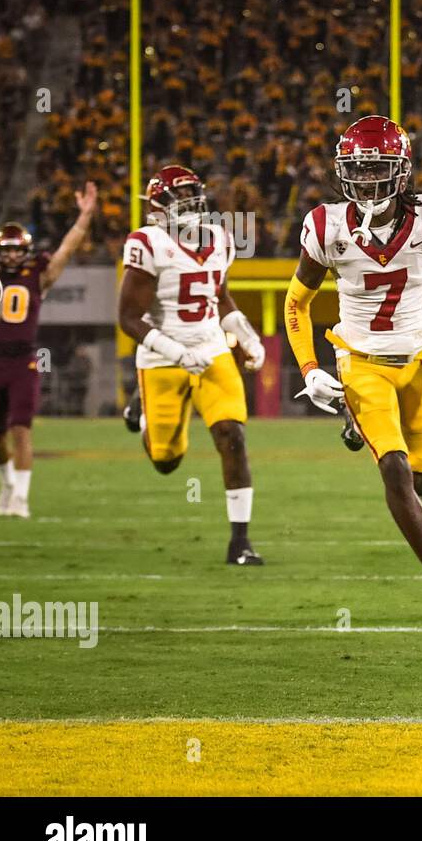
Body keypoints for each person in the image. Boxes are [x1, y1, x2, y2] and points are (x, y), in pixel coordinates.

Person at [284, 116, 422, 620]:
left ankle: (357, 423)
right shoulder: (326, 225)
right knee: (392, 469)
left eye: (378, 171)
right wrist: (309, 367)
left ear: (402, 172)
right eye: (358, 171)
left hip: (417, 363)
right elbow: (296, 302)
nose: (367, 182)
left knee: (420, 484)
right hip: (361, 362)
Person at [117, 168, 266, 564]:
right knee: (166, 461)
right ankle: (143, 405)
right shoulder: (147, 243)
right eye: (178, 197)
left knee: (232, 435)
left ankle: (240, 542)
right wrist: (178, 354)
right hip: (163, 357)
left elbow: (221, 298)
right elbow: (129, 318)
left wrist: (247, 336)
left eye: (193, 195)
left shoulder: (219, 239)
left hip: (212, 350)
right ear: (158, 207)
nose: (190, 204)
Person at [0, 185, 96, 518]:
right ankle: (8, 485)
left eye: (16, 250)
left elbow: (66, 251)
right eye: (5, 251)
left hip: (24, 359)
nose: (11, 257)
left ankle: (21, 499)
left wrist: (84, 217)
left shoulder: (38, 274)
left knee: (22, 429)